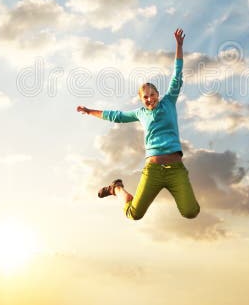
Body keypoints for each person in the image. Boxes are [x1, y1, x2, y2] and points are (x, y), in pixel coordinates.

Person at [76, 28, 200, 221]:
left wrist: (179, 45)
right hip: (153, 170)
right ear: (141, 100)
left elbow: (177, 74)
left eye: (152, 95)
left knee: (191, 211)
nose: (149, 99)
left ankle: (117, 188)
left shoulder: (169, 102)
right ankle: (116, 188)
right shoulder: (140, 113)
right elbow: (115, 116)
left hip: (176, 170)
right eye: (145, 97)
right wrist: (90, 111)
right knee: (134, 214)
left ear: (158, 95)